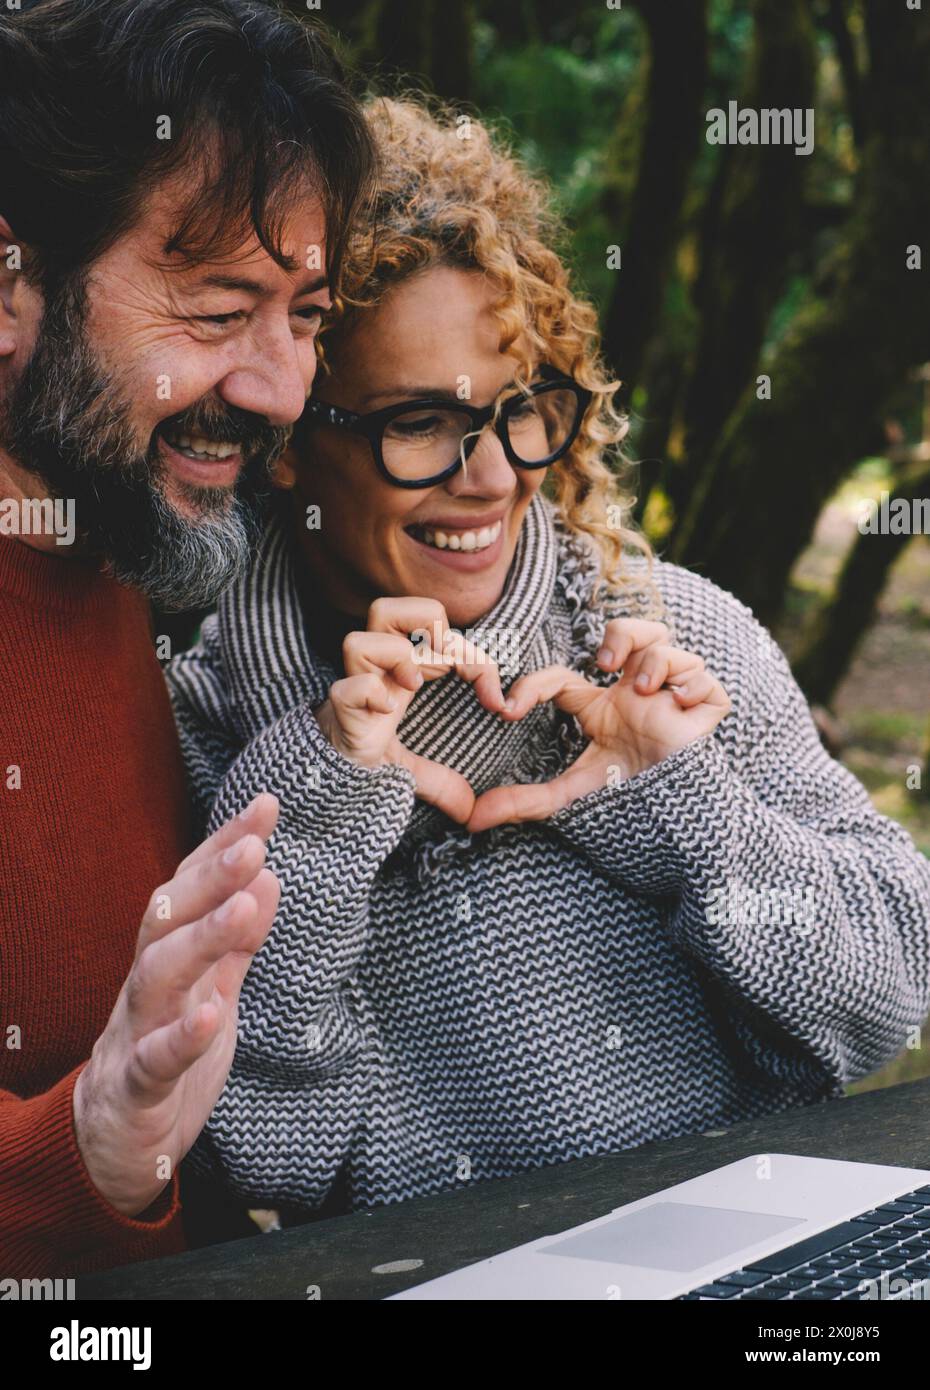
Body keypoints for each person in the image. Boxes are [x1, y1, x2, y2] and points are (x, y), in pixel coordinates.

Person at [166, 98, 930, 1223]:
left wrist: (686, 807)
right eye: (418, 421)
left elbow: (887, 996)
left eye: (521, 408)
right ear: (288, 436)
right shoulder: (204, 726)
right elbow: (268, 1155)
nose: (491, 478)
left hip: (755, 1247)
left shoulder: (669, 633)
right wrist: (325, 802)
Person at [0, 0, 374, 1275]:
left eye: (305, 317)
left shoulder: (110, 533)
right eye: (217, 313)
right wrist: (89, 1147)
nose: (279, 389)